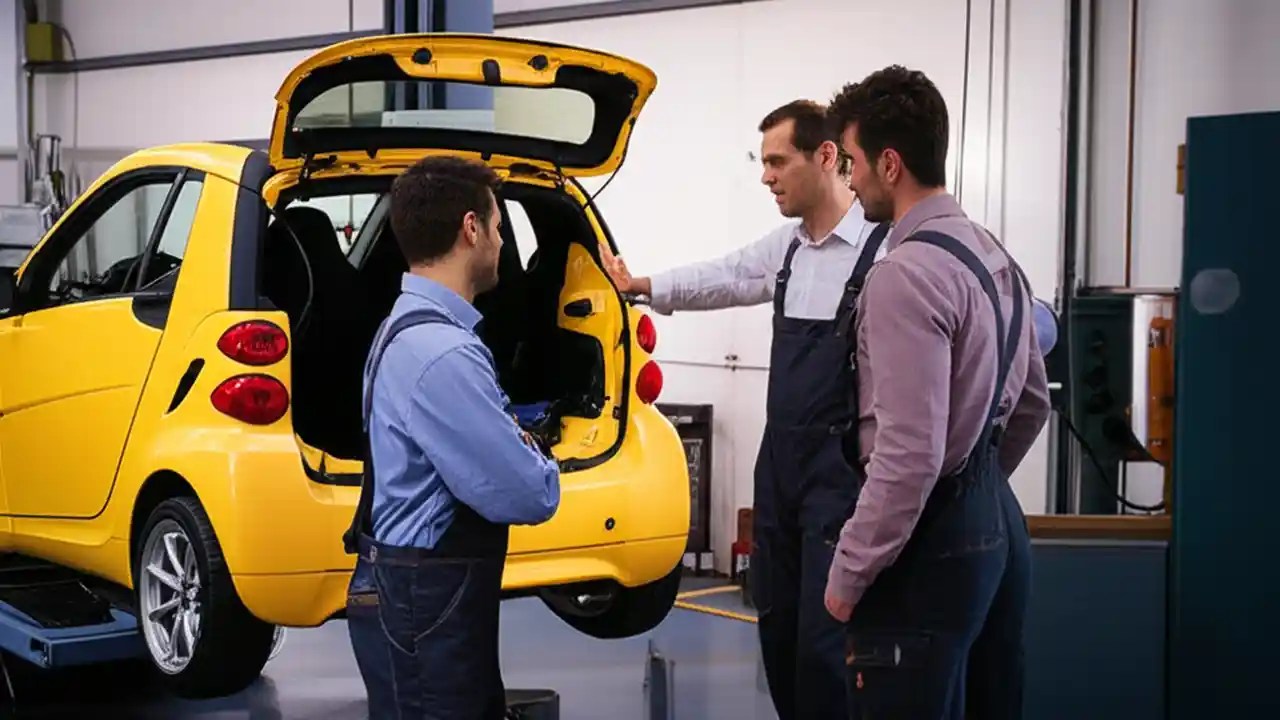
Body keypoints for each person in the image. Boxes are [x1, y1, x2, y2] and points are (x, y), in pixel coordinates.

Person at [600, 99, 889, 720]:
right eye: (764, 162)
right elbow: (726, 276)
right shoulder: (788, 249)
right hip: (779, 468)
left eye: (778, 161)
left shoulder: (883, 250)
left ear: (827, 156)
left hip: (841, 476)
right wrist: (641, 286)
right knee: (776, 623)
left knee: (826, 637)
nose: (766, 177)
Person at [821, 65, 1051, 719]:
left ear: (890, 164)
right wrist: (976, 488)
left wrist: (849, 573)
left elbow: (909, 455)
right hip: (996, 533)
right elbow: (1033, 402)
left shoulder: (905, 275)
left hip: (928, 545)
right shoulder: (994, 256)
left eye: (854, 162)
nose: (850, 180)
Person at [343, 155, 561, 719]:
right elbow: (526, 493)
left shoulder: (399, 326)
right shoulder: (444, 353)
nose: (502, 243)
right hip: (429, 603)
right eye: (497, 227)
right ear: (471, 229)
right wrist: (539, 456)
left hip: (409, 588)